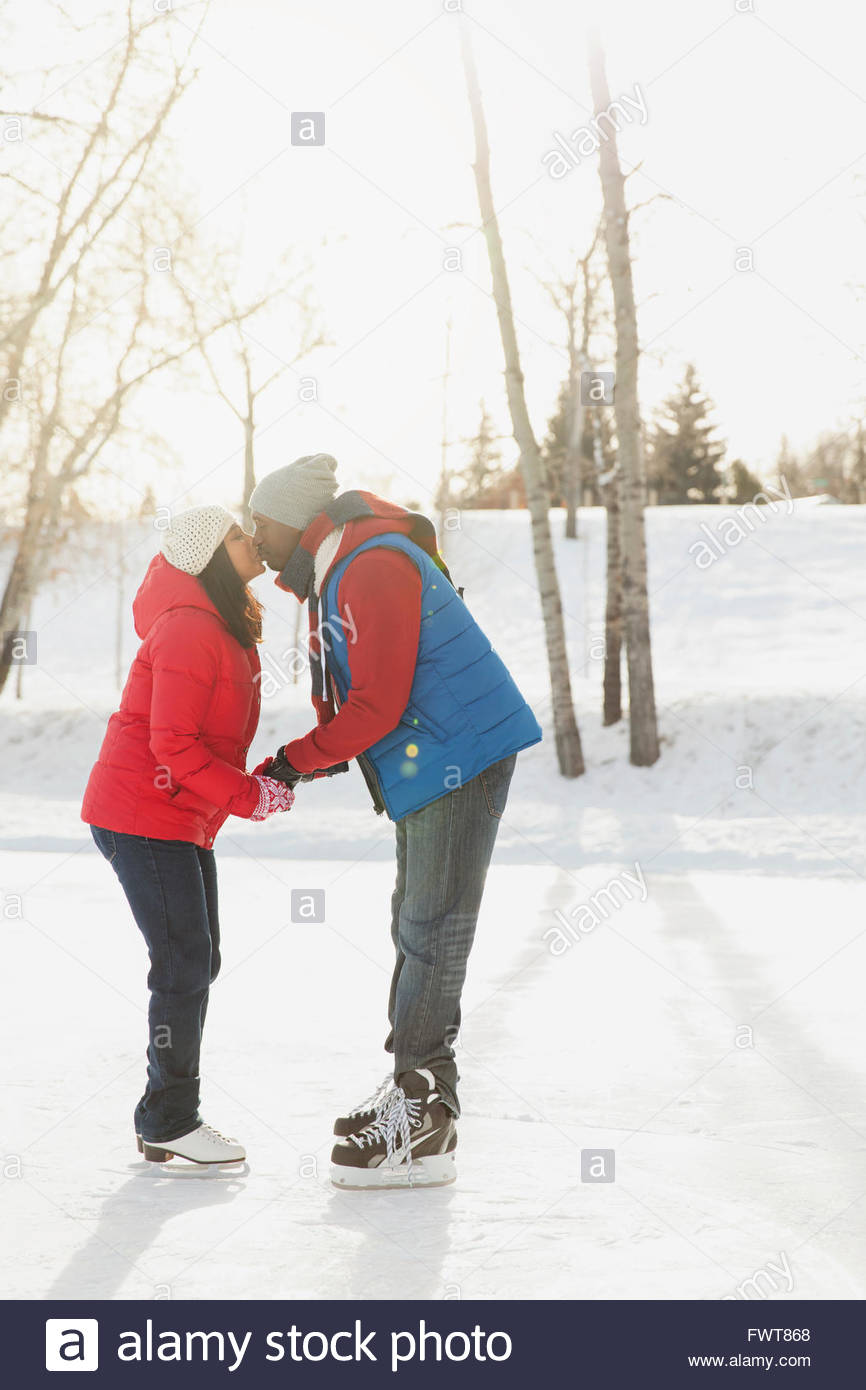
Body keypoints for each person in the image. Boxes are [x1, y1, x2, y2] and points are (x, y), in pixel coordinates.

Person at [250, 454, 542, 1188]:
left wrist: (294, 758)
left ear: (292, 520)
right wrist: (313, 757)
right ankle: (414, 1088)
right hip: (432, 760)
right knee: (416, 923)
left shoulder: (370, 564)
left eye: (260, 524)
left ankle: (424, 1110)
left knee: (433, 925)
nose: (255, 541)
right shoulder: (340, 567)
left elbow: (377, 703)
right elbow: (362, 693)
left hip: (458, 756)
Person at [81, 506, 294, 1166]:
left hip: (177, 818)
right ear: (207, 557)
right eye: (235, 536)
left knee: (197, 959)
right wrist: (248, 795)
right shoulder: (187, 630)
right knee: (183, 960)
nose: (250, 540)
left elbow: (208, 739)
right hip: (141, 816)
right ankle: (171, 1118)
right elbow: (171, 743)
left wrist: (253, 783)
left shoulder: (223, 626)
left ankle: (163, 1116)